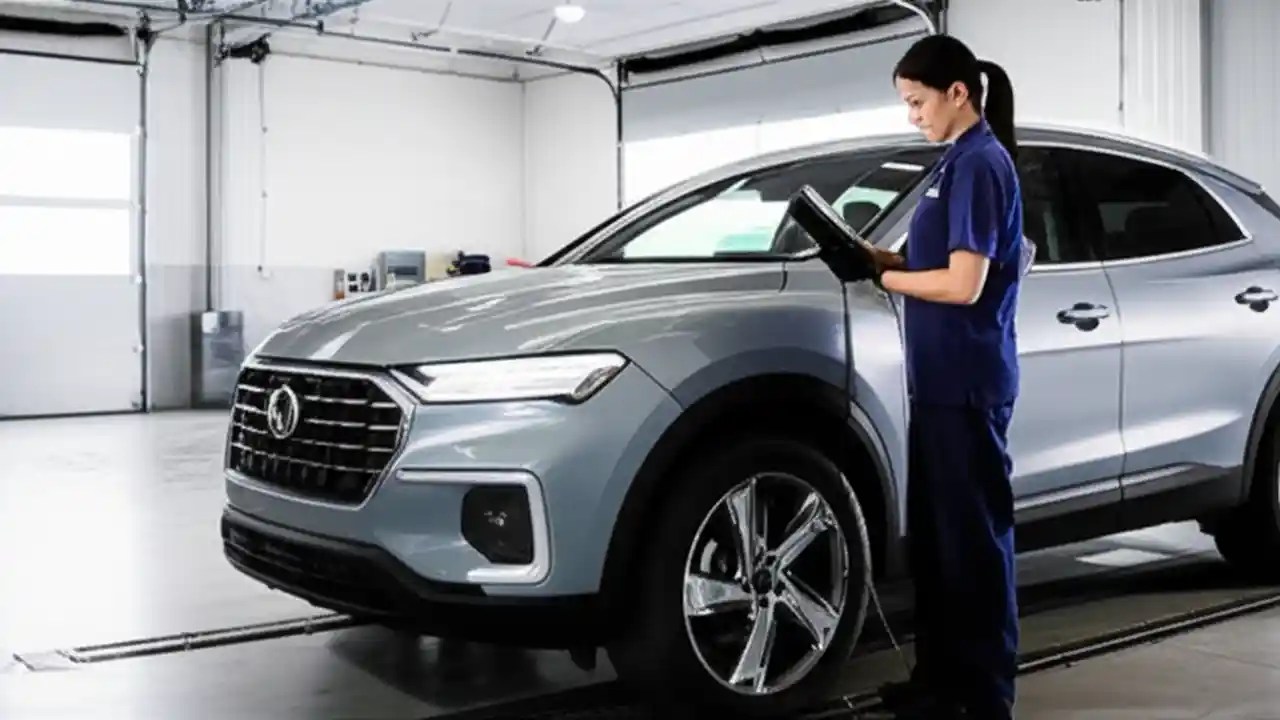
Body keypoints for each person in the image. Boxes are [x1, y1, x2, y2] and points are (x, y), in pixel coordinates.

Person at [870, 34, 1025, 720]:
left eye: (916, 102)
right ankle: (939, 683)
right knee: (938, 545)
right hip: (935, 385)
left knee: (974, 545)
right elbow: (923, 258)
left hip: (966, 382)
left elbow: (964, 284)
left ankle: (986, 697)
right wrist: (866, 253)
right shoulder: (950, 165)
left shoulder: (982, 165)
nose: (912, 116)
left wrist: (885, 275)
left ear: (957, 93)